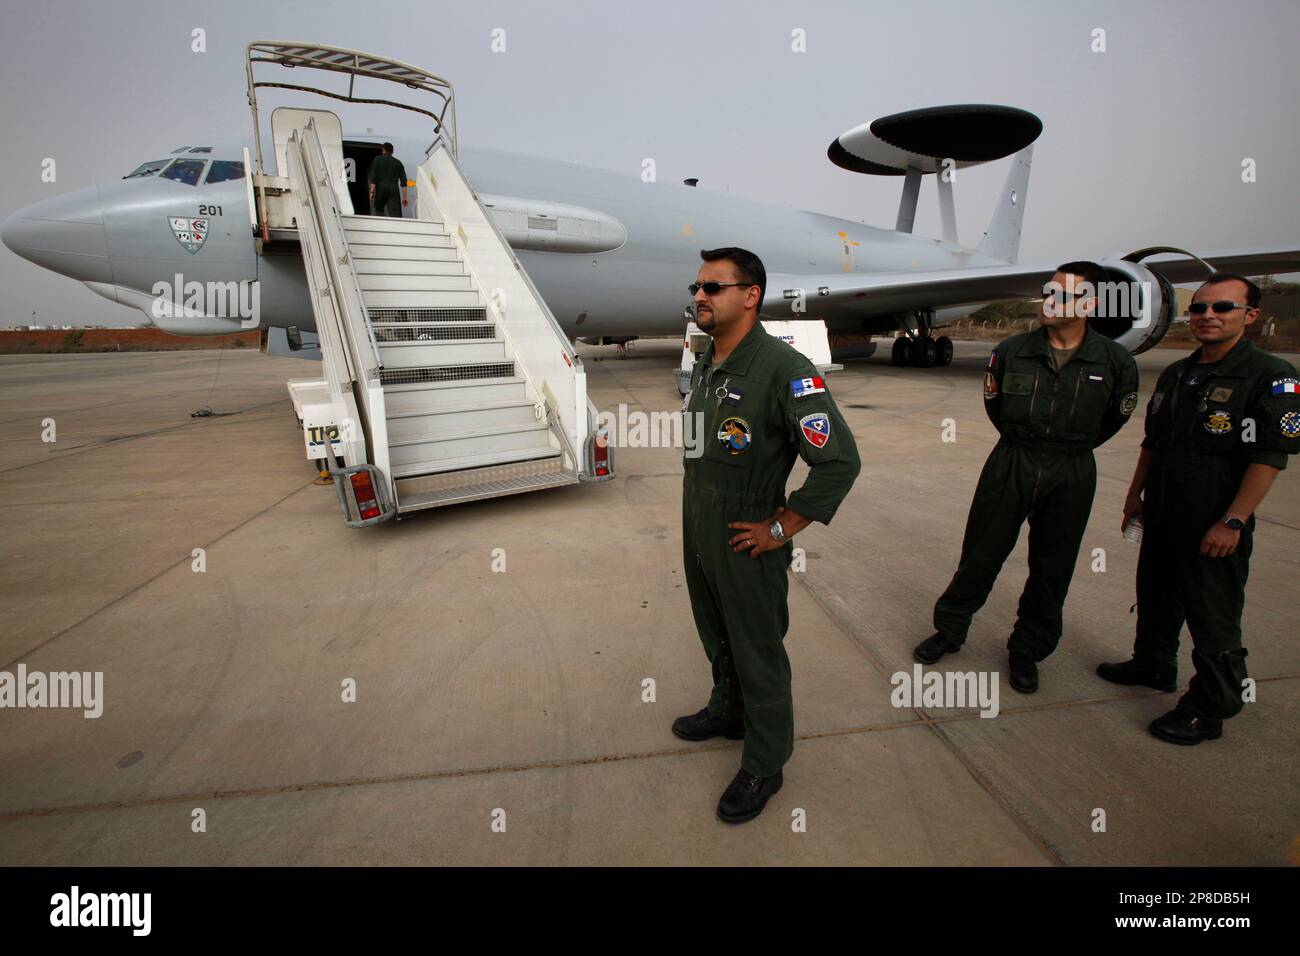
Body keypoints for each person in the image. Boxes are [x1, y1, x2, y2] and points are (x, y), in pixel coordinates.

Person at [675, 247, 860, 824]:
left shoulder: (786, 371)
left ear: (750, 295)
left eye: (713, 287)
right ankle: (728, 711)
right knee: (715, 629)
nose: (699, 295)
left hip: (746, 526)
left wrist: (781, 526)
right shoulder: (706, 358)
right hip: (699, 517)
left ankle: (765, 760)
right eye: (698, 287)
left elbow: (838, 463)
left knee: (757, 647)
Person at [914, 262, 1139, 692]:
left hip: (1071, 468)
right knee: (981, 551)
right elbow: (995, 406)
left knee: (1052, 565)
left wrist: (1067, 444)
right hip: (1012, 459)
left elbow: (1114, 418)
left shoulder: (1114, 360)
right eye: (1047, 293)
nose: (1049, 303)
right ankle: (950, 629)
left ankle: (1027, 649)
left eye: (1062, 296)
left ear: (1090, 304)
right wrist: (1027, 442)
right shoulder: (1012, 350)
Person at [1098, 274, 1300, 744]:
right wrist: (1135, 495)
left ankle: (1211, 706)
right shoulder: (1179, 373)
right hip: (1166, 509)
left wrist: (1233, 521)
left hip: (1215, 515)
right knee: (1156, 590)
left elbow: (1269, 456)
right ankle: (1153, 662)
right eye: (1199, 308)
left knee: (1212, 612)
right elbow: (1154, 441)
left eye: (1223, 307)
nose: (1208, 316)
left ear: (1250, 316)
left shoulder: (1270, 375)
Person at [367, 143, 408, 217]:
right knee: (395, 215)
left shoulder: (377, 159)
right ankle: (394, 227)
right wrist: (405, 197)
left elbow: (374, 177)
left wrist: (372, 191)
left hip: (381, 189)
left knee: (379, 210)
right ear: (392, 152)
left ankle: (381, 225)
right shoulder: (398, 163)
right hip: (393, 189)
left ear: (383, 150)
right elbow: (404, 182)